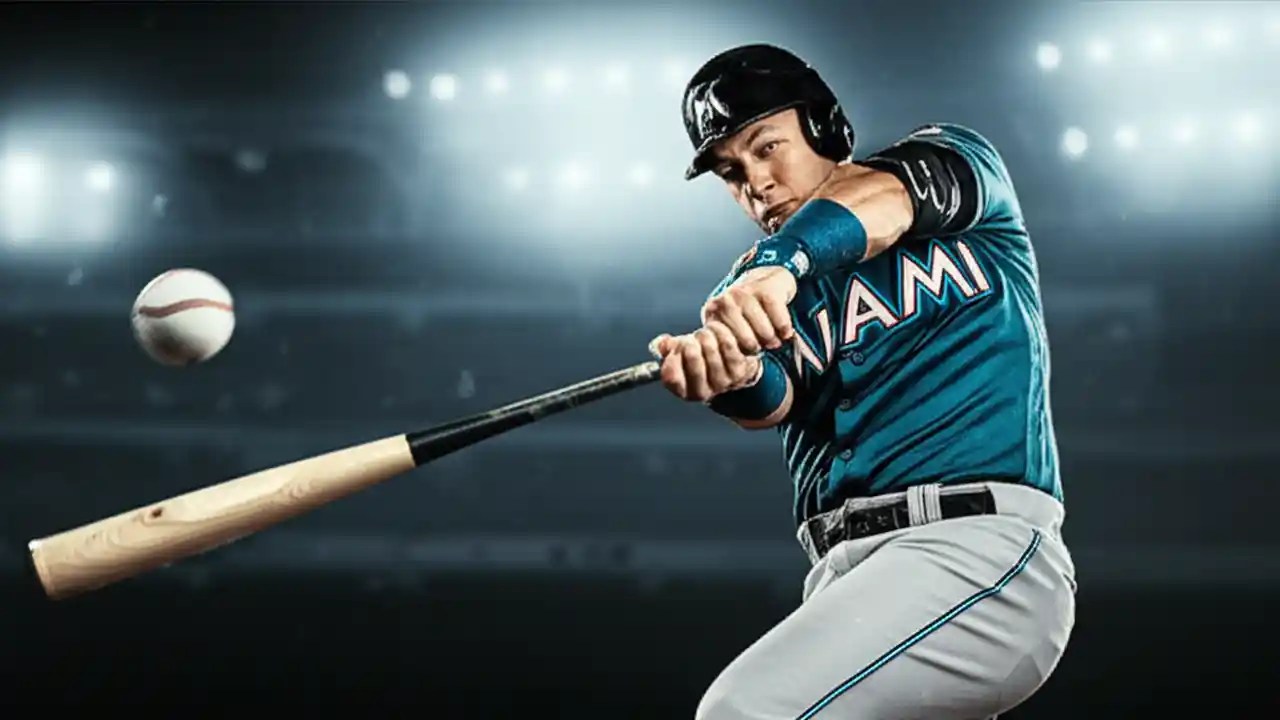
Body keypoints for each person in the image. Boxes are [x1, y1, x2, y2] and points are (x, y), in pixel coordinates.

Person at [650, 43, 1077, 720]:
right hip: (845, 583)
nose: (754, 182)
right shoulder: (755, 288)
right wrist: (728, 374)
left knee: (744, 711)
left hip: (974, 551)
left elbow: (889, 196)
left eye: (767, 147)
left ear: (825, 126)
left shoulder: (959, 176)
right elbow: (771, 399)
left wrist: (779, 264)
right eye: (731, 172)